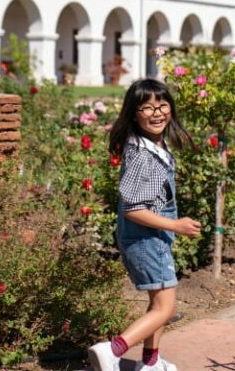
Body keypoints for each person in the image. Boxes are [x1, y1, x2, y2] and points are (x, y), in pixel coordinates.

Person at [88, 79, 201, 371]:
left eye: (162, 105)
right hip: (147, 240)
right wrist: (176, 225)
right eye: (147, 107)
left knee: (158, 304)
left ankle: (150, 363)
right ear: (134, 113)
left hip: (149, 240)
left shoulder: (151, 145)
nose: (157, 112)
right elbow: (133, 210)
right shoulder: (142, 156)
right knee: (167, 307)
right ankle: (113, 349)